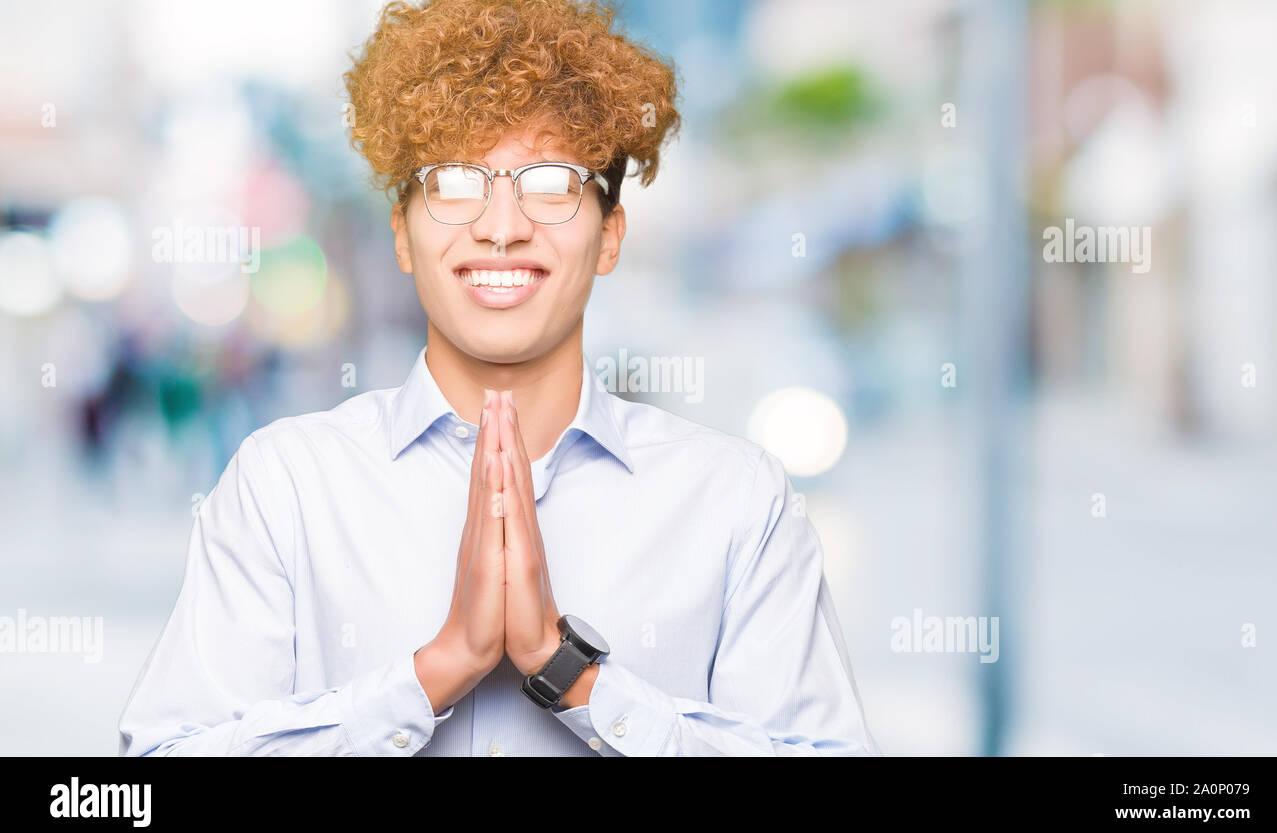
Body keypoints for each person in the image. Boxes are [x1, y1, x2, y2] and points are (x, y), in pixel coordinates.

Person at [118, 0, 880, 756]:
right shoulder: (284, 487)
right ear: (403, 236)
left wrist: (574, 678)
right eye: (454, 182)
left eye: (550, 183)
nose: (502, 225)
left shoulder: (738, 502)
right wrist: (429, 677)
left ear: (610, 234)